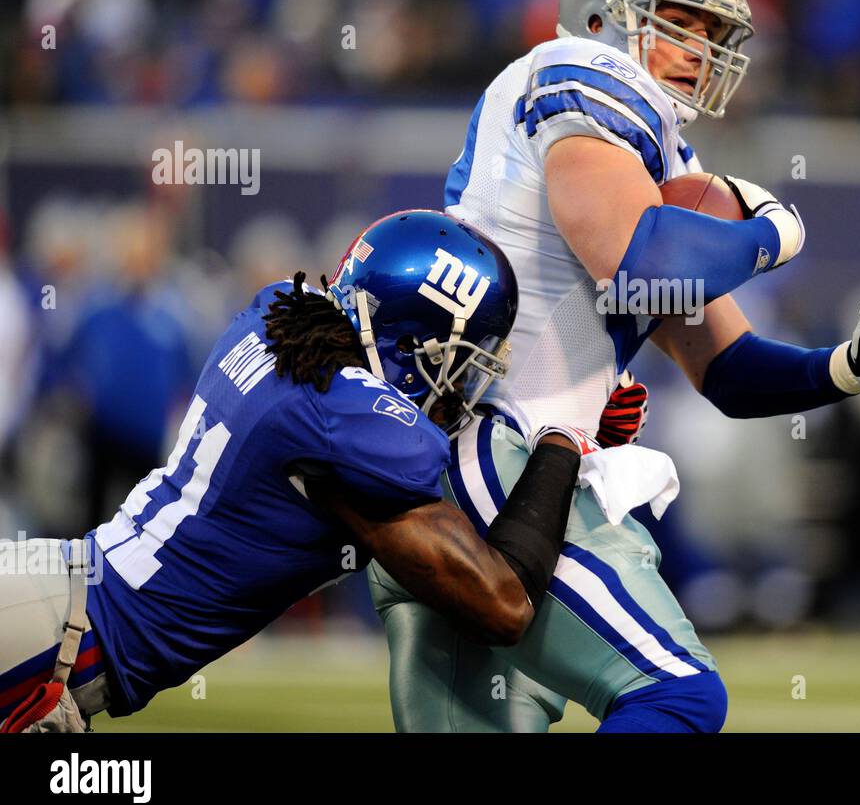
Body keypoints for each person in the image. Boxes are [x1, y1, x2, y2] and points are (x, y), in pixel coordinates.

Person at [370, 0, 860, 733]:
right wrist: (774, 229)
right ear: (604, 12)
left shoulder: (659, 165)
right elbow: (645, 267)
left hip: (458, 474)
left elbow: (731, 370)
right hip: (505, 462)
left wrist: (848, 367)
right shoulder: (582, 73)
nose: (702, 48)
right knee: (677, 694)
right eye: (681, 21)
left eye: (717, 29)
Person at [0, 210, 583, 732]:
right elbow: (504, 604)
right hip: (52, 639)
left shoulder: (282, 316)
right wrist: (563, 436)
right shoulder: (342, 419)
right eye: (454, 366)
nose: (459, 391)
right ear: (409, 343)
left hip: (52, 601)